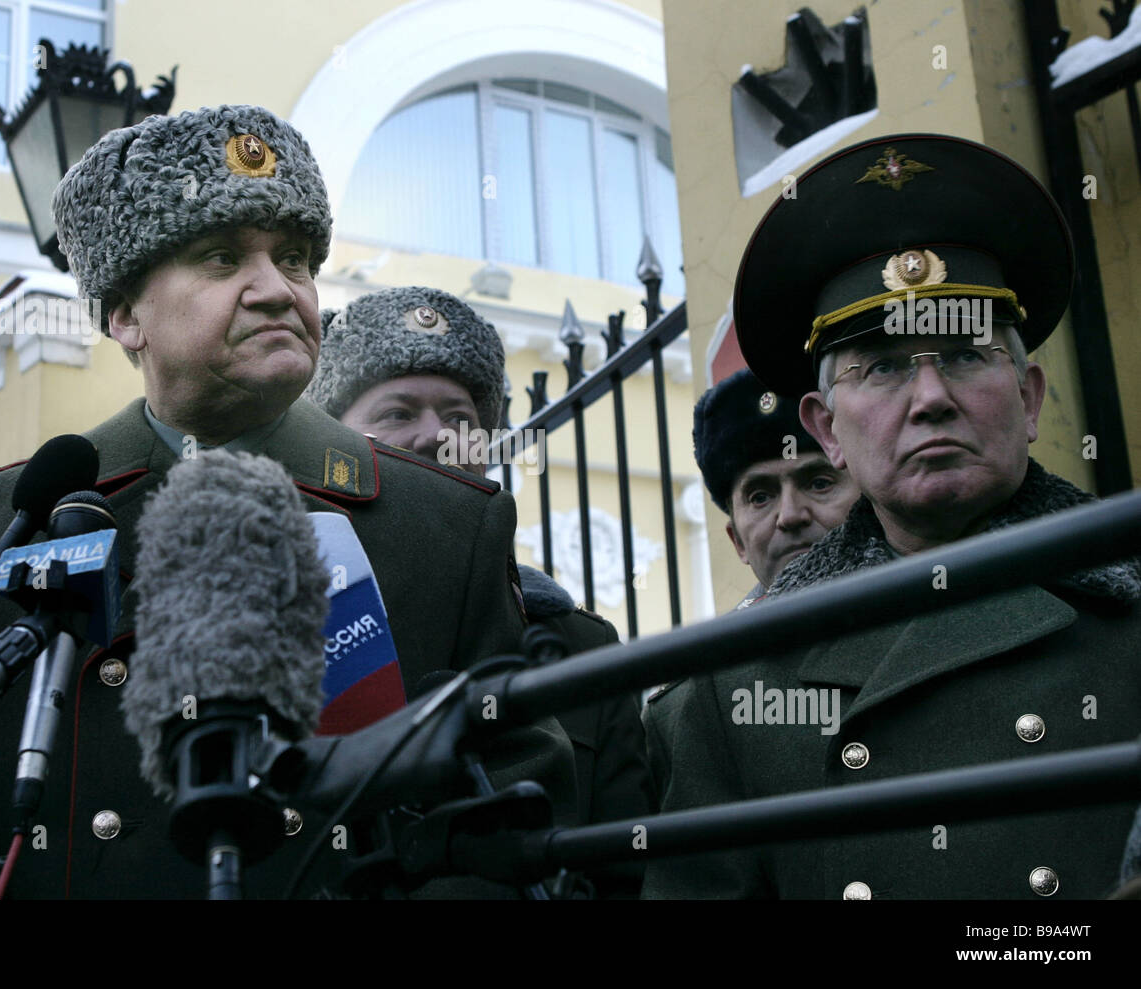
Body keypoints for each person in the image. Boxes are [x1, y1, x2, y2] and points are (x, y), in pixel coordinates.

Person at [0, 106, 576, 898]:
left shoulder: (447, 522)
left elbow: (526, 796)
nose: (278, 291)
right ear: (124, 314)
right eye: (221, 258)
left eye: (295, 259)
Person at [642, 132, 1141, 899]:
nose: (932, 397)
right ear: (826, 429)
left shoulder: (1127, 602)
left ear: (1031, 396)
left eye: (968, 355)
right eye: (879, 367)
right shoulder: (736, 680)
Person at [308, 285, 656, 897]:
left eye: (461, 418)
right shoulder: (278, 618)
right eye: (397, 412)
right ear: (331, 442)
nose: (436, 435)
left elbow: (624, 869)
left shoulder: (580, 644)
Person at [691, 368, 859, 609]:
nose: (790, 516)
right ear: (737, 541)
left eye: (819, 484)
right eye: (760, 498)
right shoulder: (729, 647)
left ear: (872, 497)